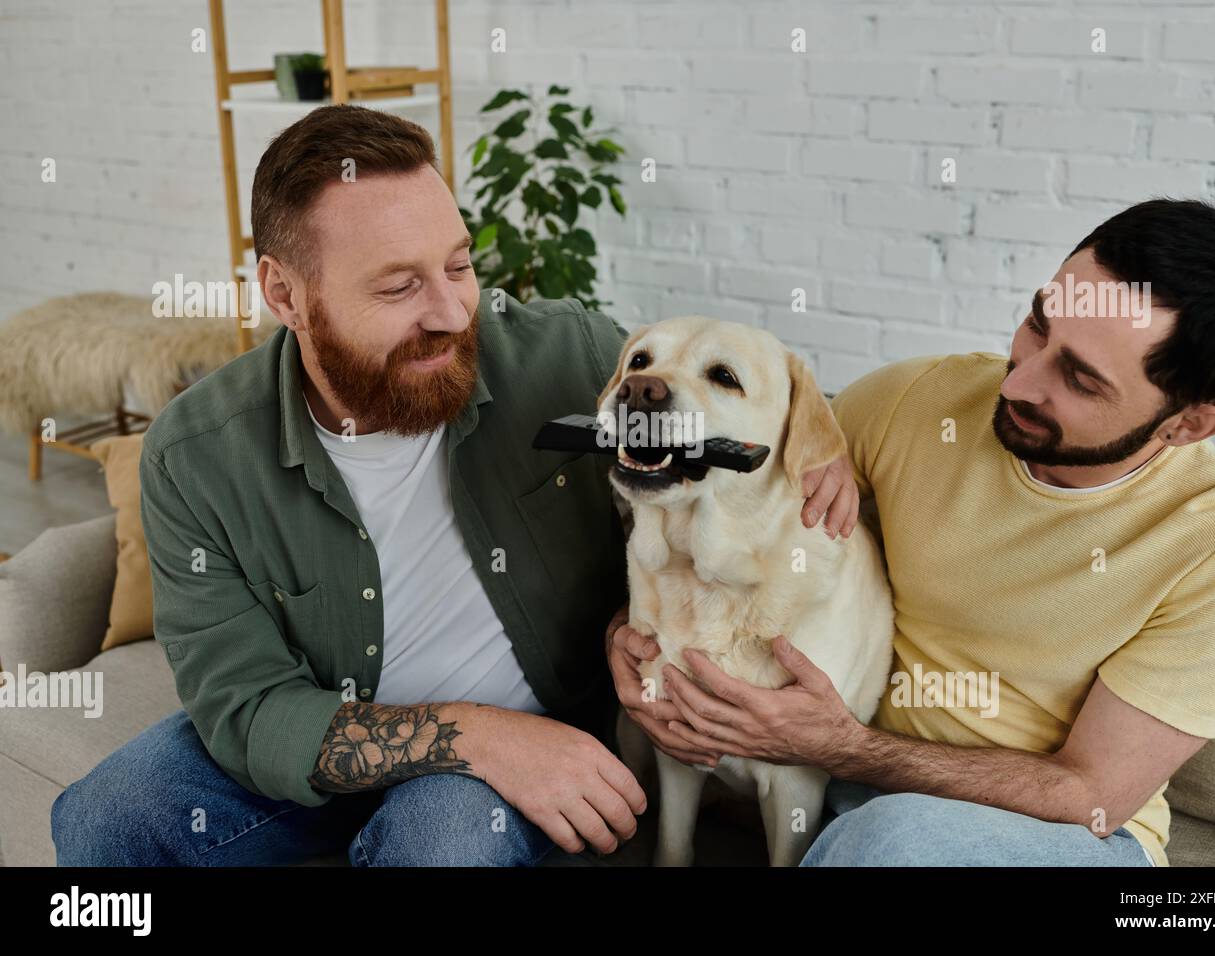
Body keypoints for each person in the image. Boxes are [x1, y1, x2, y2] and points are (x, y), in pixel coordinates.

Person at [50, 104, 856, 866]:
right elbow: (247, 709)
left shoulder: (567, 357)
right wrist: (475, 733)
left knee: (440, 840)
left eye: (460, 265)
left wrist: (834, 449)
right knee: (106, 813)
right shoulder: (196, 456)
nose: (450, 312)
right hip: (332, 737)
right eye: (399, 287)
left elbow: (736, 422)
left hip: (501, 765)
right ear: (285, 294)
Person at [609, 198, 1215, 867]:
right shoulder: (919, 401)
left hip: (1060, 836)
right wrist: (638, 639)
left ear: (1186, 425)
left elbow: (1091, 794)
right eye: (1037, 324)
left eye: (1080, 380)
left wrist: (841, 746)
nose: (1019, 381)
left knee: (894, 842)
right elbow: (729, 501)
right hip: (852, 792)